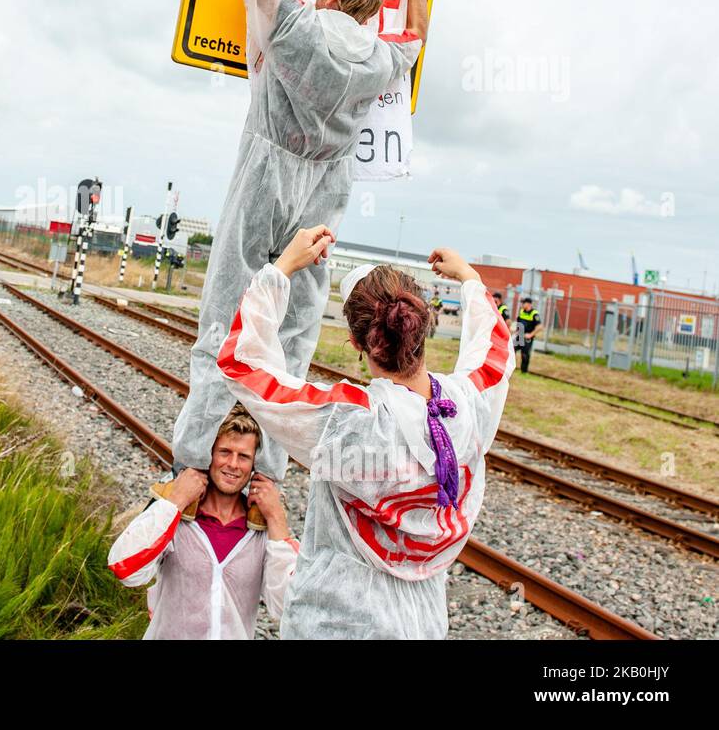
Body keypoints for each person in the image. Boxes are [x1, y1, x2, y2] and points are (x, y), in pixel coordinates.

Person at [172, 0, 428, 485]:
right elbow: (416, 35)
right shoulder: (381, 60)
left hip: (267, 170)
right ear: (372, 6)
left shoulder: (293, 24)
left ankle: (193, 459)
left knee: (228, 316)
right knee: (294, 329)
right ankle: (266, 469)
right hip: (324, 192)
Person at [216, 226, 514, 638]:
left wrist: (282, 268)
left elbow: (243, 364)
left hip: (338, 623)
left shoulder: (348, 422)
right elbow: (494, 350)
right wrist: (470, 281)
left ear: (357, 341)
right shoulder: (468, 406)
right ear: (423, 326)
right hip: (421, 626)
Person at [107, 409, 298, 640]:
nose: (233, 464)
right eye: (225, 452)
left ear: (254, 465)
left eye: (243, 456)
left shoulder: (261, 532)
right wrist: (175, 501)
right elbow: (125, 569)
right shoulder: (177, 518)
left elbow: (288, 609)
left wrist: (277, 519)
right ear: (209, 455)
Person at [516, 297, 542, 373]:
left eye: (523, 303)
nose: (522, 304)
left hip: (527, 338)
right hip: (520, 336)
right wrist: (517, 330)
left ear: (528, 304)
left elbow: (540, 327)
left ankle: (524, 371)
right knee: (511, 349)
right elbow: (519, 321)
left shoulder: (534, 313)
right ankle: (509, 367)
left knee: (524, 354)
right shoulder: (521, 311)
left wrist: (531, 335)